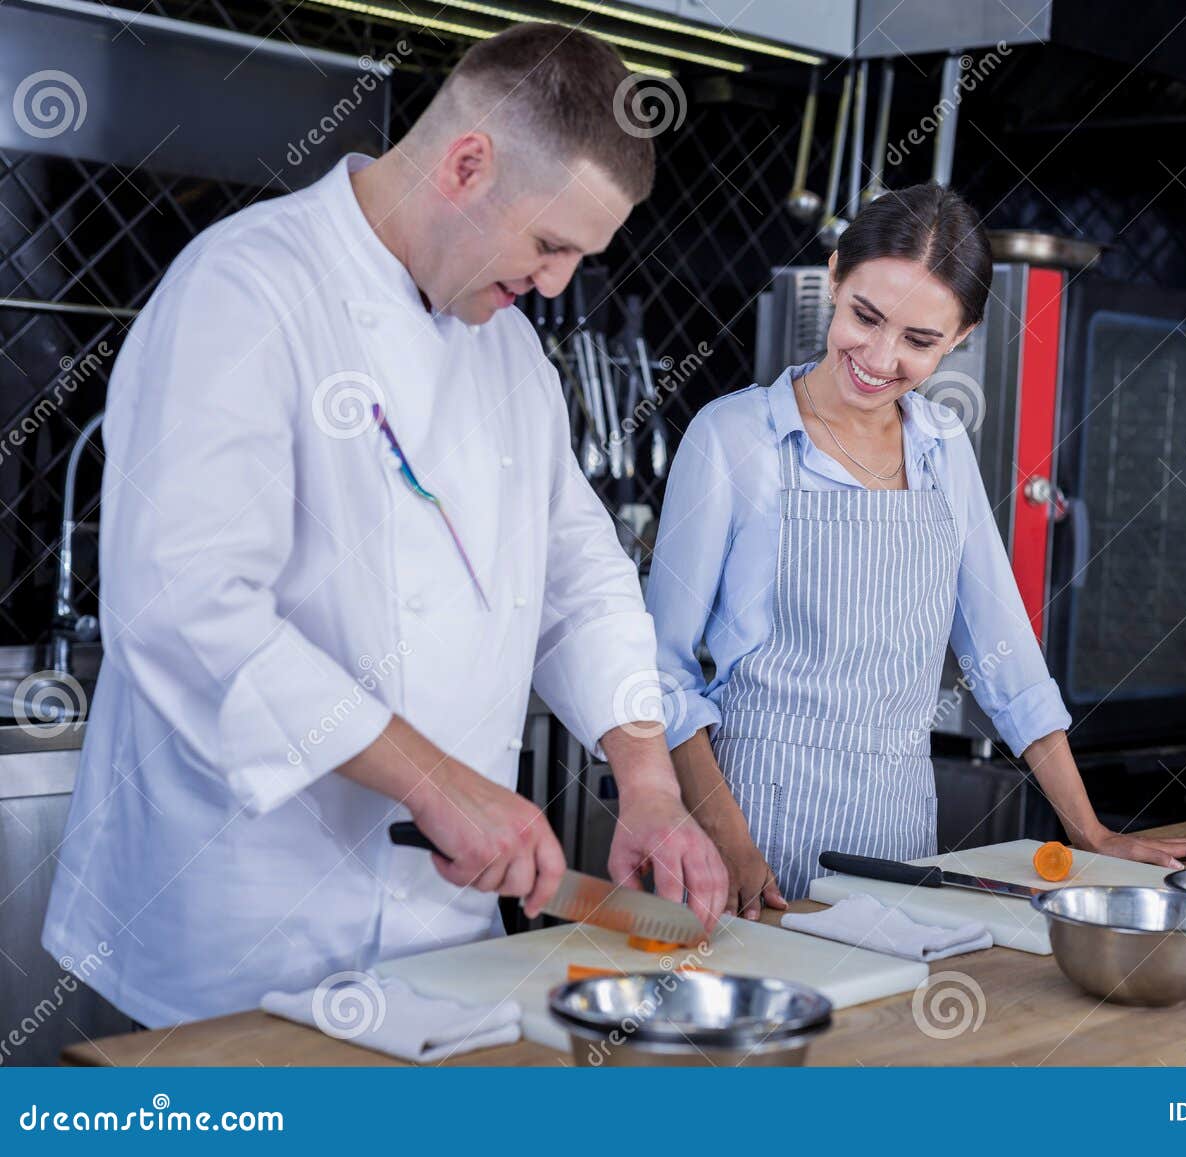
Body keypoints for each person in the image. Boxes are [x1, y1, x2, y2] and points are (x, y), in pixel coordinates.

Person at [43, 25, 726, 1027]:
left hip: (440, 940)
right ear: (465, 164)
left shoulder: (513, 362)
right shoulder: (245, 290)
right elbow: (188, 608)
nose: (555, 285)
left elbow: (581, 579)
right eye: (548, 245)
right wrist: (435, 779)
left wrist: (647, 780)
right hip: (233, 938)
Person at [647, 183, 1186, 918]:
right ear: (833, 278)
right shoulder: (733, 439)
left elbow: (1005, 652)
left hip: (901, 843)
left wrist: (1091, 830)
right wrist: (727, 837)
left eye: (919, 341)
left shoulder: (942, 447)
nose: (880, 358)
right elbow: (662, 671)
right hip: (754, 829)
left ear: (961, 337)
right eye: (865, 316)